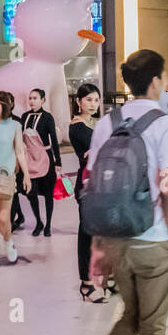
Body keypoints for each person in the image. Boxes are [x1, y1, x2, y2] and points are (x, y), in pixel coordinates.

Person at [87, 49, 168, 335]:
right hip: (153, 239)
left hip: (117, 241)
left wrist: (99, 244)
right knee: (153, 328)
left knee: (130, 318)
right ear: (156, 81)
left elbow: (95, 186)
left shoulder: (106, 123)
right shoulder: (167, 125)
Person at [0, 91, 30, 272]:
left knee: (2, 218)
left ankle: (8, 241)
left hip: (5, 175)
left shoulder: (15, 125)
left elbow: (19, 152)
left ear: (4, 106)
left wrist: (26, 175)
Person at [70, 83, 106, 301]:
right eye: (88, 100)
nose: (93, 104)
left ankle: (103, 278)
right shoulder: (77, 127)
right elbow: (89, 154)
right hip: (86, 184)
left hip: (104, 183)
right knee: (87, 232)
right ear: (78, 102)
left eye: (96, 99)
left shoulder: (100, 123)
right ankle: (86, 284)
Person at [21, 88, 61, 236]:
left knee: (48, 194)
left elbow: (54, 140)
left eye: (35, 98)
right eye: (30, 98)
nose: (32, 101)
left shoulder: (47, 117)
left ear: (42, 100)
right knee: (31, 193)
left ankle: (48, 225)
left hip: (46, 158)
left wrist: (58, 161)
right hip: (29, 159)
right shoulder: (24, 116)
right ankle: (38, 221)